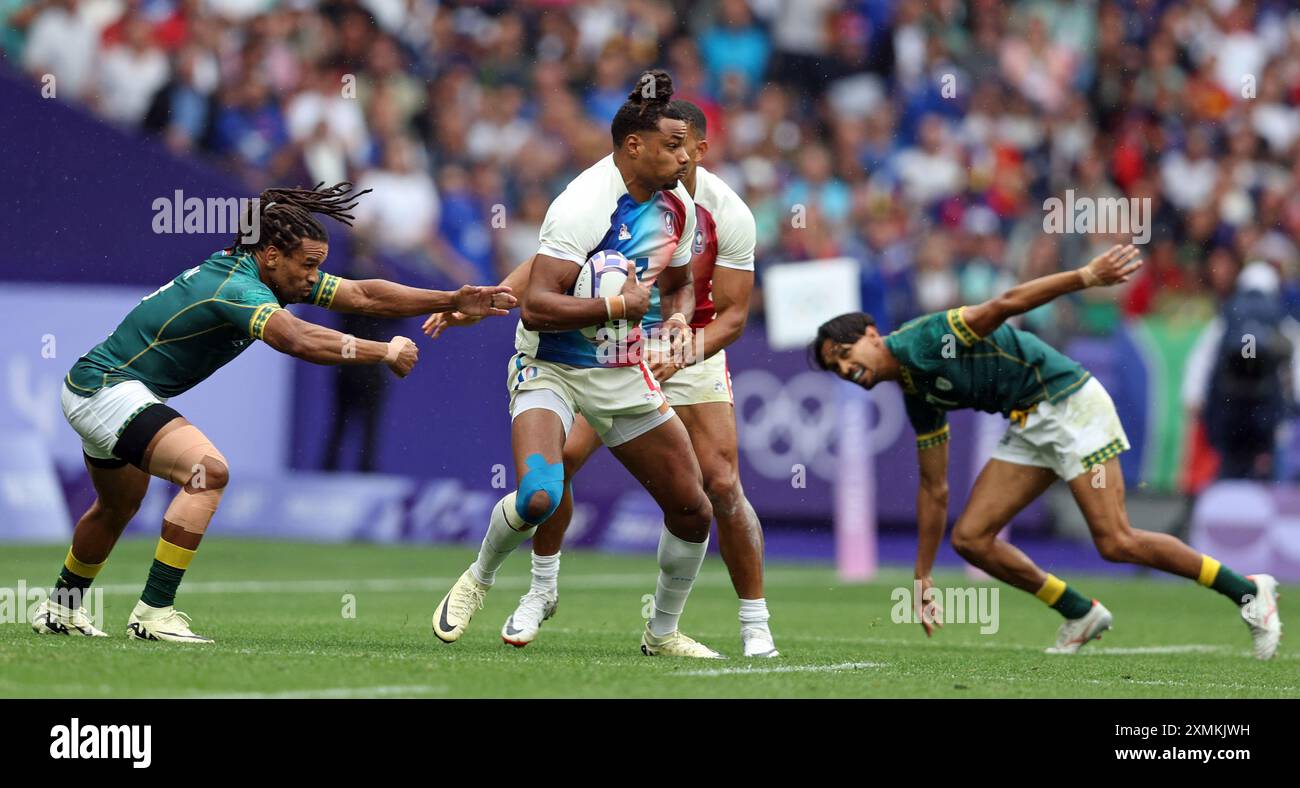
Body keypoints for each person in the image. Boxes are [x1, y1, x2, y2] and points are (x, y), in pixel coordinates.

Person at [35, 182, 515, 643]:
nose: (313, 277)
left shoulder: (263, 273)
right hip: (107, 390)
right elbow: (296, 339)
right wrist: (382, 351)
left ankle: (60, 608)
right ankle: (154, 612)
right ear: (271, 255)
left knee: (117, 506)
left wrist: (452, 297)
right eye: (307, 265)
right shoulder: (238, 287)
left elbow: (364, 295)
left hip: (100, 388)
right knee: (207, 472)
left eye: (317, 267)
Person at [810, 244, 1282, 660]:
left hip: (1068, 402)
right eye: (837, 367)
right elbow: (935, 488)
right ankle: (1080, 612)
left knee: (1116, 541)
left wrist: (1085, 277)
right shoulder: (915, 390)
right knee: (972, 539)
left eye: (846, 353)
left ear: (872, 334)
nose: (846, 368)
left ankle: (1248, 593)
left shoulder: (925, 341)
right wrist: (922, 576)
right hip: (1031, 422)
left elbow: (1005, 304)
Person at [427, 100, 777, 656]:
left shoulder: (682, 206)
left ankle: (663, 633)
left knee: (695, 506)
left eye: (688, 146)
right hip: (553, 365)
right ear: (635, 146)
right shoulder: (583, 204)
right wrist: (615, 305)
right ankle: (483, 578)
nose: (684, 158)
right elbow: (537, 305)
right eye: (672, 145)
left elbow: (682, 284)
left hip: (625, 367)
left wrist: (681, 321)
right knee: (542, 491)